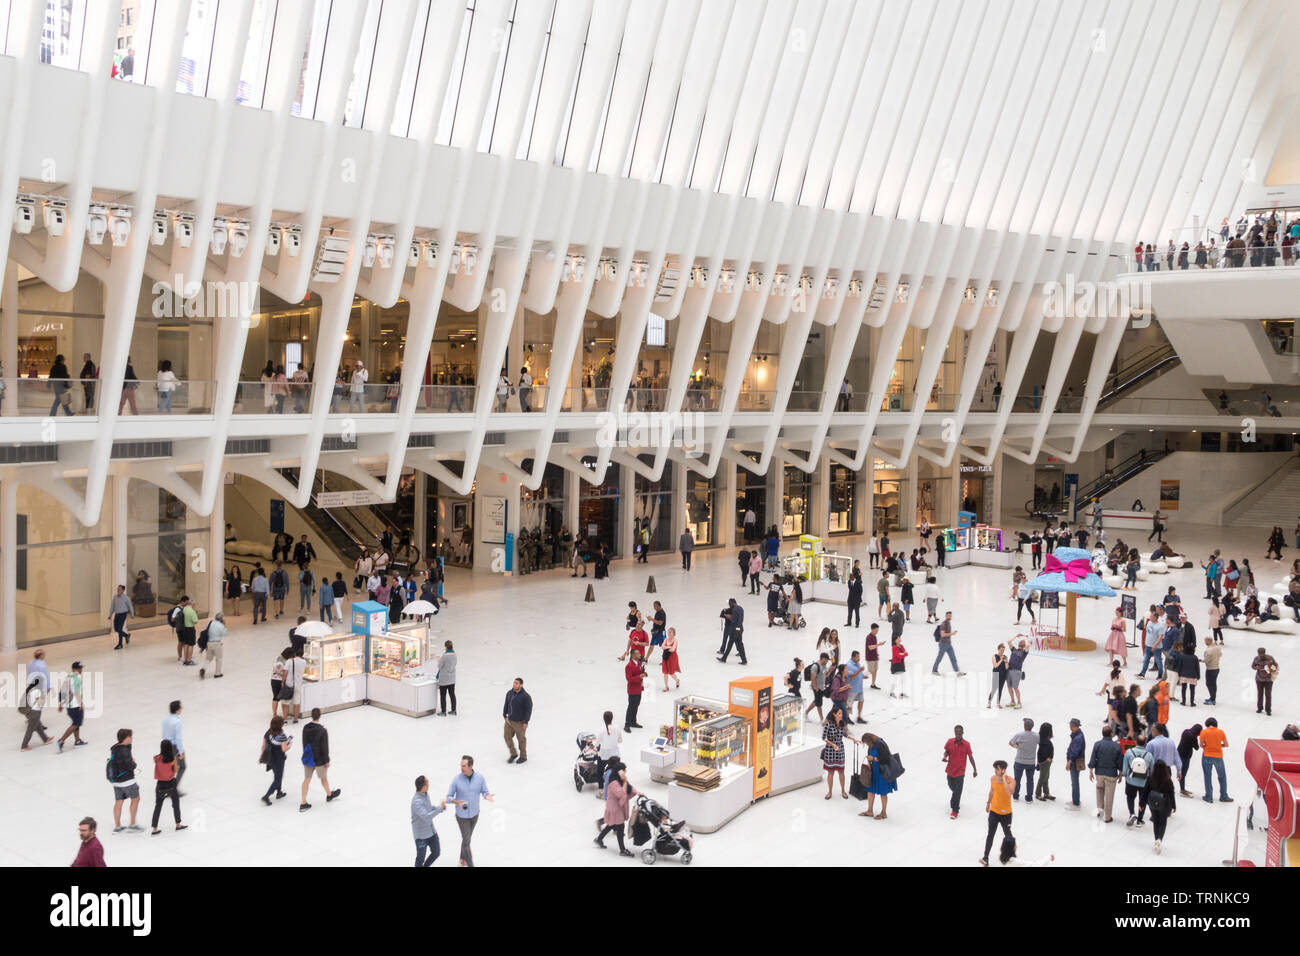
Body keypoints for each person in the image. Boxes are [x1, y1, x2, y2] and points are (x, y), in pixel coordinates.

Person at [446, 755, 493, 867]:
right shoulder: (457, 779)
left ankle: (462, 860)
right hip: (462, 816)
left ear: (470, 766)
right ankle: (470, 864)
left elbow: (485, 791)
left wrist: (487, 796)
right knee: (467, 841)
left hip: (474, 814)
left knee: (466, 839)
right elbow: (448, 797)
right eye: (461, 765)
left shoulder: (479, 778)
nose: (461, 768)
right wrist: (457, 802)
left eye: (464, 766)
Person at [300, 708, 341, 812]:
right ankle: (329, 794)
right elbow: (324, 747)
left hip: (308, 758)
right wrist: (326, 760)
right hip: (319, 759)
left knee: (307, 779)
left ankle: (303, 802)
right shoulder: (322, 730)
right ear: (319, 716)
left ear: (311, 716)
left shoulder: (305, 728)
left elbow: (304, 743)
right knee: (323, 778)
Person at [594, 759, 635, 856]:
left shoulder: (619, 780)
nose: (625, 772)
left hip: (616, 808)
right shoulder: (614, 783)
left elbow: (630, 788)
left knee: (611, 824)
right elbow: (621, 794)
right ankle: (622, 850)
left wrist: (638, 793)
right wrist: (625, 781)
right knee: (620, 827)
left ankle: (599, 839)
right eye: (624, 770)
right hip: (615, 809)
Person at [980, 760, 1016, 866]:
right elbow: (991, 791)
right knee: (990, 834)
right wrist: (988, 803)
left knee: (1008, 836)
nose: (995, 771)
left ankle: (1011, 855)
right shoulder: (993, 779)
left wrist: (1004, 778)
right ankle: (985, 857)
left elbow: (1009, 792)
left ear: (1003, 770)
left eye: (997, 769)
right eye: (995, 769)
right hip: (994, 812)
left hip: (1006, 814)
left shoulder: (1011, 781)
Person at [107, 728, 142, 832]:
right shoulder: (124, 751)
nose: (131, 739)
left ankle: (117, 826)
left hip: (116, 781)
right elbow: (129, 765)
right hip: (127, 781)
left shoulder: (115, 749)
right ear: (125, 738)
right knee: (135, 799)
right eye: (130, 737)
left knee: (118, 801)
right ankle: (132, 824)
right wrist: (134, 762)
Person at [1088, 724, 1123, 822]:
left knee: (1099, 792)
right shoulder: (1117, 746)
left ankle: (1100, 811)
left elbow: (1093, 759)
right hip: (1111, 774)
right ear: (1111, 734)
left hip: (1099, 773)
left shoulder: (1097, 744)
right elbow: (1120, 762)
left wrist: (1091, 771)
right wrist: (1120, 774)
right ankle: (1107, 817)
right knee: (1109, 796)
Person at [858, 732, 898, 819]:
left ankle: (884, 813)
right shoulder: (872, 744)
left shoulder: (880, 744)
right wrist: (869, 760)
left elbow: (886, 757)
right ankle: (869, 811)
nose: (866, 745)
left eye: (866, 743)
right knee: (870, 790)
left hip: (883, 772)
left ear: (869, 740)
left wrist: (874, 759)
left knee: (883, 792)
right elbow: (870, 754)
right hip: (874, 770)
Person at [821, 708, 857, 800]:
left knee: (841, 771)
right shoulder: (828, 724)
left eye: (841, 713)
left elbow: (844, 734)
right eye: (839, 713)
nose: (841, 715)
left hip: (840, 750)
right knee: (831, 772)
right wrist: (832, 744)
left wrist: (852, 739)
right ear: (834, 714)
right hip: (830, 750)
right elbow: (823, 737)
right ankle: (829, 791)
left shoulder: (842, 724)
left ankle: (843, 790)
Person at [151, 739, 186, 834]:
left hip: (160, 785)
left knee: (158, 806)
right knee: (175, 804)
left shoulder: (156, 758)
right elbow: (175, 771)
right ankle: (178, 824)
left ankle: (154, 828)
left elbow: (158, 763)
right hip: (171, 784)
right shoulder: (173, 759)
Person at [942, 725, 977, 819]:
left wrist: (975, 769)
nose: (958, 734)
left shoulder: (966, 744)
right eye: (956, 732)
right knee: (952, 787)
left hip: (960, 772)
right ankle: (955, 798)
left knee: (958, 792)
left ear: (963, 733)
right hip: (950, 770)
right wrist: (945, 757)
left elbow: (970, 757)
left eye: (960, 732)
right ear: (954, 732)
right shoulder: (950, 741)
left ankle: (955, 811)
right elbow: (946, 751)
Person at [411, 775, 446, 867]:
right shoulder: (416, 802)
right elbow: (426, 816)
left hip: (431, 832)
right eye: (427, 783)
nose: (429, 784)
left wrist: (440, 808)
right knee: (420, 859)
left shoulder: (425, 795)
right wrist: (439, 809)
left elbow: (429, 808)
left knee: (436, 852)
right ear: (423, 786)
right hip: (421, 837)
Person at [1145, 760, 1177, 855]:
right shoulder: (1168, 780)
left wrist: (1142, 803)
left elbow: (1145, 791)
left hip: (1152, 804)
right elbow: (1172, 794)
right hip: (1164, 804)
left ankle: (1156, 839)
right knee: (1163, 823)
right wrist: (1173, 806)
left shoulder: (1150, 778)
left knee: (1156, 821)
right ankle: (1159, 839)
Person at [259, 715, 292, 806]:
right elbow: (284, 749)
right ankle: (267, 796)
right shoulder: (282, 736)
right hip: (279, 760)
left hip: (270, 759)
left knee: (277, 775)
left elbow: (263, 746)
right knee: (278, 778)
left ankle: (279, 792)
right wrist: (290, 744)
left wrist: (262, 756)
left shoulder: (268, 733)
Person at [56, 661, 88, 752]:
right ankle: (61, 741)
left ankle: (77, 741)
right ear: (75, 669)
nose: (81, 670)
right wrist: (80, 703)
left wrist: (61, 704)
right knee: (76, 724)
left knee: (75, 723)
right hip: (75, 705)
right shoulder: (77, 677)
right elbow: (76, 692)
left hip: (69, 705)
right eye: (80, 668)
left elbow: (63, 691)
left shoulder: (68, 677)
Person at [1199, 718, 1232, 803]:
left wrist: (1208, 746)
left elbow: (1201, 745)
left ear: (1207, 724)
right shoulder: (1221, 732)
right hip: (1218, 756)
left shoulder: (1204, 732)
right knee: (1222, 776)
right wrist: (1218, 745)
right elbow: (1226, 744)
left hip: (1206, 756)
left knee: (1207, 776)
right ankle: (1224, 796)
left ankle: (1209, 797)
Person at [502, 677, 532, 764]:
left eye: (517, 683)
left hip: (520, 722)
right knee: (506, 736)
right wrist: (504, 714)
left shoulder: (525, 696)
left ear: (521, 685)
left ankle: (523, 756)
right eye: (514, 683)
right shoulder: (509, 693)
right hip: (509, 720)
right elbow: (506, 704)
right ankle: (513, 753)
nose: (514, 685)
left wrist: (526, 721)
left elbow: (528, 709)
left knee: (521, 739)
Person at [1009, 718, 1038, 802]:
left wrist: (1017, 746)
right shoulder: (1036, 736)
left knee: (1017, 779)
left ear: (1024, 726)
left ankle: (1015, 796)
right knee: (1030, 780)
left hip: (1019, 761)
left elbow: (1010, 742)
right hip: (1031, 762)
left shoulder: (1019, 735)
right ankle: (1029, 798)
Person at [20, 675, 50, 750]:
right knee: (30, 730)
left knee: (38, 726)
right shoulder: (37, 691)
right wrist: (45, 695)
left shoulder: (30, 689)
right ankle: (24, 746)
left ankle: (45, 739)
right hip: (35, 712)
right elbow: (40, 703)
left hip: (29, 712)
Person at [718, 598, 747, 664]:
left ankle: (723, 659)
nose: (730, 606)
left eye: (730, 604)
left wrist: (727, 616)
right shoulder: (741, 608)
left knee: (729, 645)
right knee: (740, 645)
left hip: (735, 630)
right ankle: (744, 660)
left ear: (733, 603)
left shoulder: (735, 609)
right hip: (740, 628)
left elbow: (733, 620)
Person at [1252, 647, 1278, 716]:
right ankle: (1260, 708)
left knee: (1268, 695)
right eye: (1260, 654)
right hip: (1259, 679)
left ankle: (1268, 710)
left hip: (1268, 680)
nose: (1261, 656)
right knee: (1259, 694)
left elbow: (1275, 666)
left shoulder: (1270, 658)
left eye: (1262, 654)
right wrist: (1257, 667)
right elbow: (1253, 666)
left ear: (1265, 652)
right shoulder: (1256, 658)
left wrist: (1270, 669)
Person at [200, 612, 227, 679]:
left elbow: (206, 630)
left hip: (209, 643)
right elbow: (225, 634)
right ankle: (217, 673)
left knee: (208, 658)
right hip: (217, 644)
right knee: (219, 659)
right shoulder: (221, 626)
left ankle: (203, 668)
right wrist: (224, 625)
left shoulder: (210, 623)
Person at [108, 585, 134, 649]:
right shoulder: (115, 597)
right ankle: (126, 635)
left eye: (119, 589)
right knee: (116, 629)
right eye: (117, 589)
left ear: (123, 590)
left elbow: (130, 606)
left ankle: (120, 644)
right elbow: (112, 606)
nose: (118, 590)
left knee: (120, 629)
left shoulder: (126, 598)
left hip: (123, 614)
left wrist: (132, 614)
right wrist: (110, 614)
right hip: (117, 614)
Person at [1034, 722, 1055, 801]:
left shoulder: (1042, 739)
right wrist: (1048, 758)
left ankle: (1046, 792)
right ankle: (1038, 794)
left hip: (1044, 761)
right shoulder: (1045, 741)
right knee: (1043, 778)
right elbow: (1042, 751)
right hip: (1045, 762)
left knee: (1046, 777)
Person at [436, 640, 457, 715]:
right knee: (452, 694)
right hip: (452, 678)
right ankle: (454, 710)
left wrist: (439, 660)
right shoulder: (455, 654)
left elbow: (439, 666)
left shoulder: (444, 656)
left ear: (446, 647)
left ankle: (443, 711)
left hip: (444, 678)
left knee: (443, 695)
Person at [1006, 640, 1028, 709]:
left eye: (1023, 642)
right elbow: (1009, 642)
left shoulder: (1024, 652)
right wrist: (1016, 636)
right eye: (1021, 641)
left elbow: (1028, 646)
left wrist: (1025, 638)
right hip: (1009, 670)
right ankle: (1013, 701)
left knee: (1015, 687)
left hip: (1017, 671)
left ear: (1024, 645)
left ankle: (1019, 703)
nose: (1021, 642)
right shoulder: (1014, 650)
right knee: (1009, 687)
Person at [987, 644, 1009, 709]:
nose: (1002, 652)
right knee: (994, 689)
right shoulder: (994, 656)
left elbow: (1007, 667)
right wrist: (1001, 660)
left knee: (1000, 689)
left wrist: (1006, 662)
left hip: (1003, 675)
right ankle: (989, 702)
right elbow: (995, 665)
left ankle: (998, 703)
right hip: (996, 674)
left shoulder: (1005, 657)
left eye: (1003, 650)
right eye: (1001, 650)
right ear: (998, 649)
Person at [1202, 637, 1221, 706]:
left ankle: (1212, 699)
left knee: (1209, 684)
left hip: (1210, 669)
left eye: (1205, 641)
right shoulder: (1217, 648)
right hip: (1217, 668)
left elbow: (1207, 660)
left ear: (1208, 641)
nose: (1205, 642)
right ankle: (1213, 697)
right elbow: (1220, 655)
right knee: (1214, 684)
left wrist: (1203, 661)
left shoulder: (1208, 650)